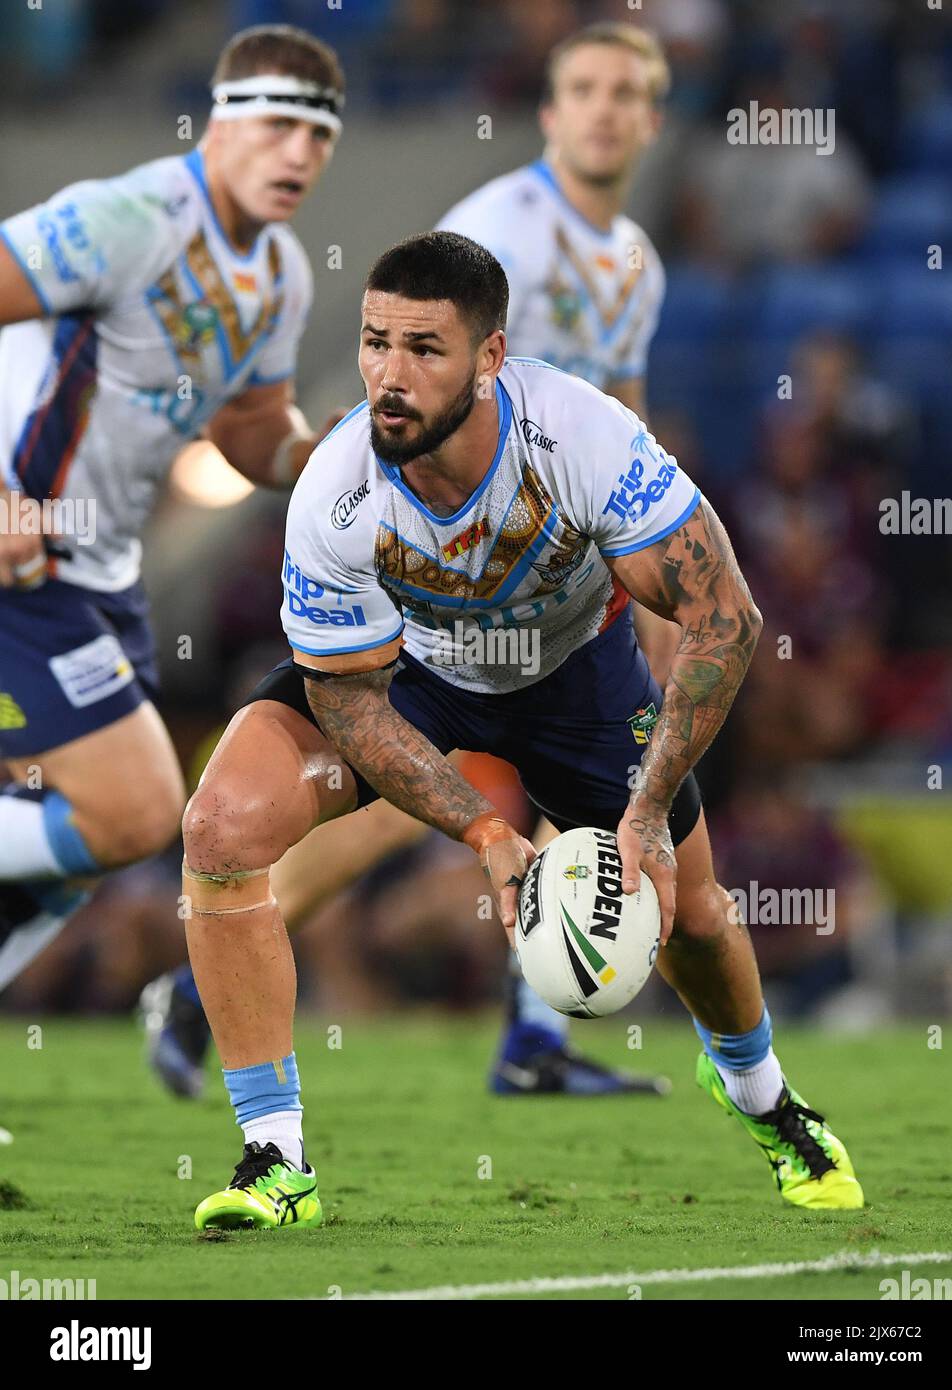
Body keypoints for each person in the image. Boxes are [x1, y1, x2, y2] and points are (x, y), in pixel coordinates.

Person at [183, 231, 863, 1230]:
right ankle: (275, 1158)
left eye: (424, 348)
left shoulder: (583, 439)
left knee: (700, 917)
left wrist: (643, 807)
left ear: (490, 359)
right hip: (407, 671)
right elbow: (347, 701)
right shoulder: (336, 489)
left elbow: (727, 617)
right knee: (220, 827)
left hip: (573, 679)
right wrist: (488, 835)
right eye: (375, 342)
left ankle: (766, 1099)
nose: (389, 375)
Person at [149, 20, 680, 1097]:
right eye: (584, 87)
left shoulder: (635, 262)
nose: (605, 109)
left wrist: (654, 585)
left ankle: (536, 1027)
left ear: (652, 117)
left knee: (551, 773)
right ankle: (209, 969)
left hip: (553, 569)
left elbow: (623, 412)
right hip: (441, 552)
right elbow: (414, 369)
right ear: (549, 110)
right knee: (397, 785)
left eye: (628, 91)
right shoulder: (503, 229)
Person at [0, 25, 346, 1090]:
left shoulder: (279, 276)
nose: (297, 154)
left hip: (102, 577)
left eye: (319, 136)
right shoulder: (131, 217)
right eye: (278, 123)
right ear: (226, 115)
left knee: (77, 857)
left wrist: (333, 456)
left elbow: (246, 433)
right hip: (26, 558)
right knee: (140, 810)